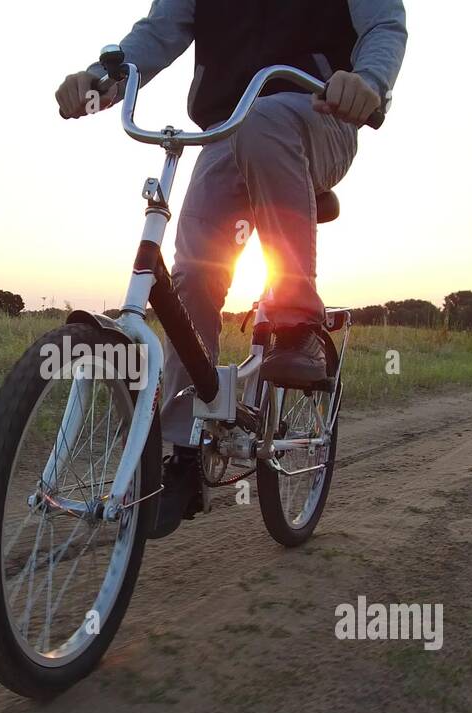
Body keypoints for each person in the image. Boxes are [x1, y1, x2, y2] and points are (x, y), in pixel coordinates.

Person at [55, 0, 407, 538]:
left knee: (265, 122)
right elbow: (158, 31)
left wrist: (369, 79)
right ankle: (183, 453)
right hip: (225, 128)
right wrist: (104, 75)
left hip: (320, 112)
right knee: (192, 278)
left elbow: (383, 23)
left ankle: (296, 324)